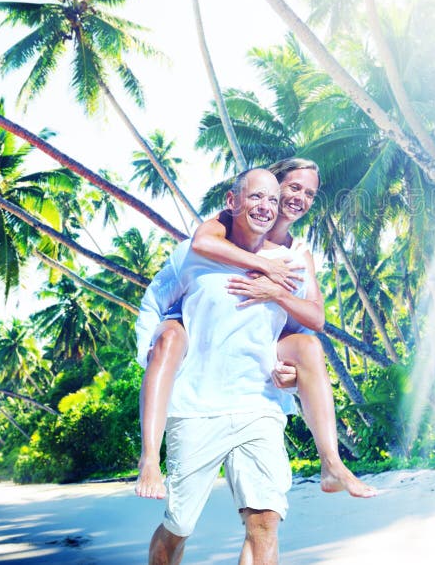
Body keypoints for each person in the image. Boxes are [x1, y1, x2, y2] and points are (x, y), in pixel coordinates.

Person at [135, 158, 376, 501]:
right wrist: (264, 265)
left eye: (309, 193)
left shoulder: (297, 253)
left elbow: (314, 320)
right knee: (171, 337)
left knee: (309, 349)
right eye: (293, 188)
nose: (299, 199)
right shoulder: (218, 230)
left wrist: (275, 294)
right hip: (191, 337)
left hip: (255, 370)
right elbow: (198, 247)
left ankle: (332, 464)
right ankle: (149, 459)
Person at [136, 168, 319, 565]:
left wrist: (288, 374)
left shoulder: (288, 264)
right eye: (255, 197)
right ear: (232, 202)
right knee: (179, 526)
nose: (266, 207)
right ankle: (149, 462)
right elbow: (153, 307)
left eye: (273, 199)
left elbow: (299, 329)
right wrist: (154, 353)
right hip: (197, 408)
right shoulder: (194, 254)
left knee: (266, 520)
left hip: (259, 406)